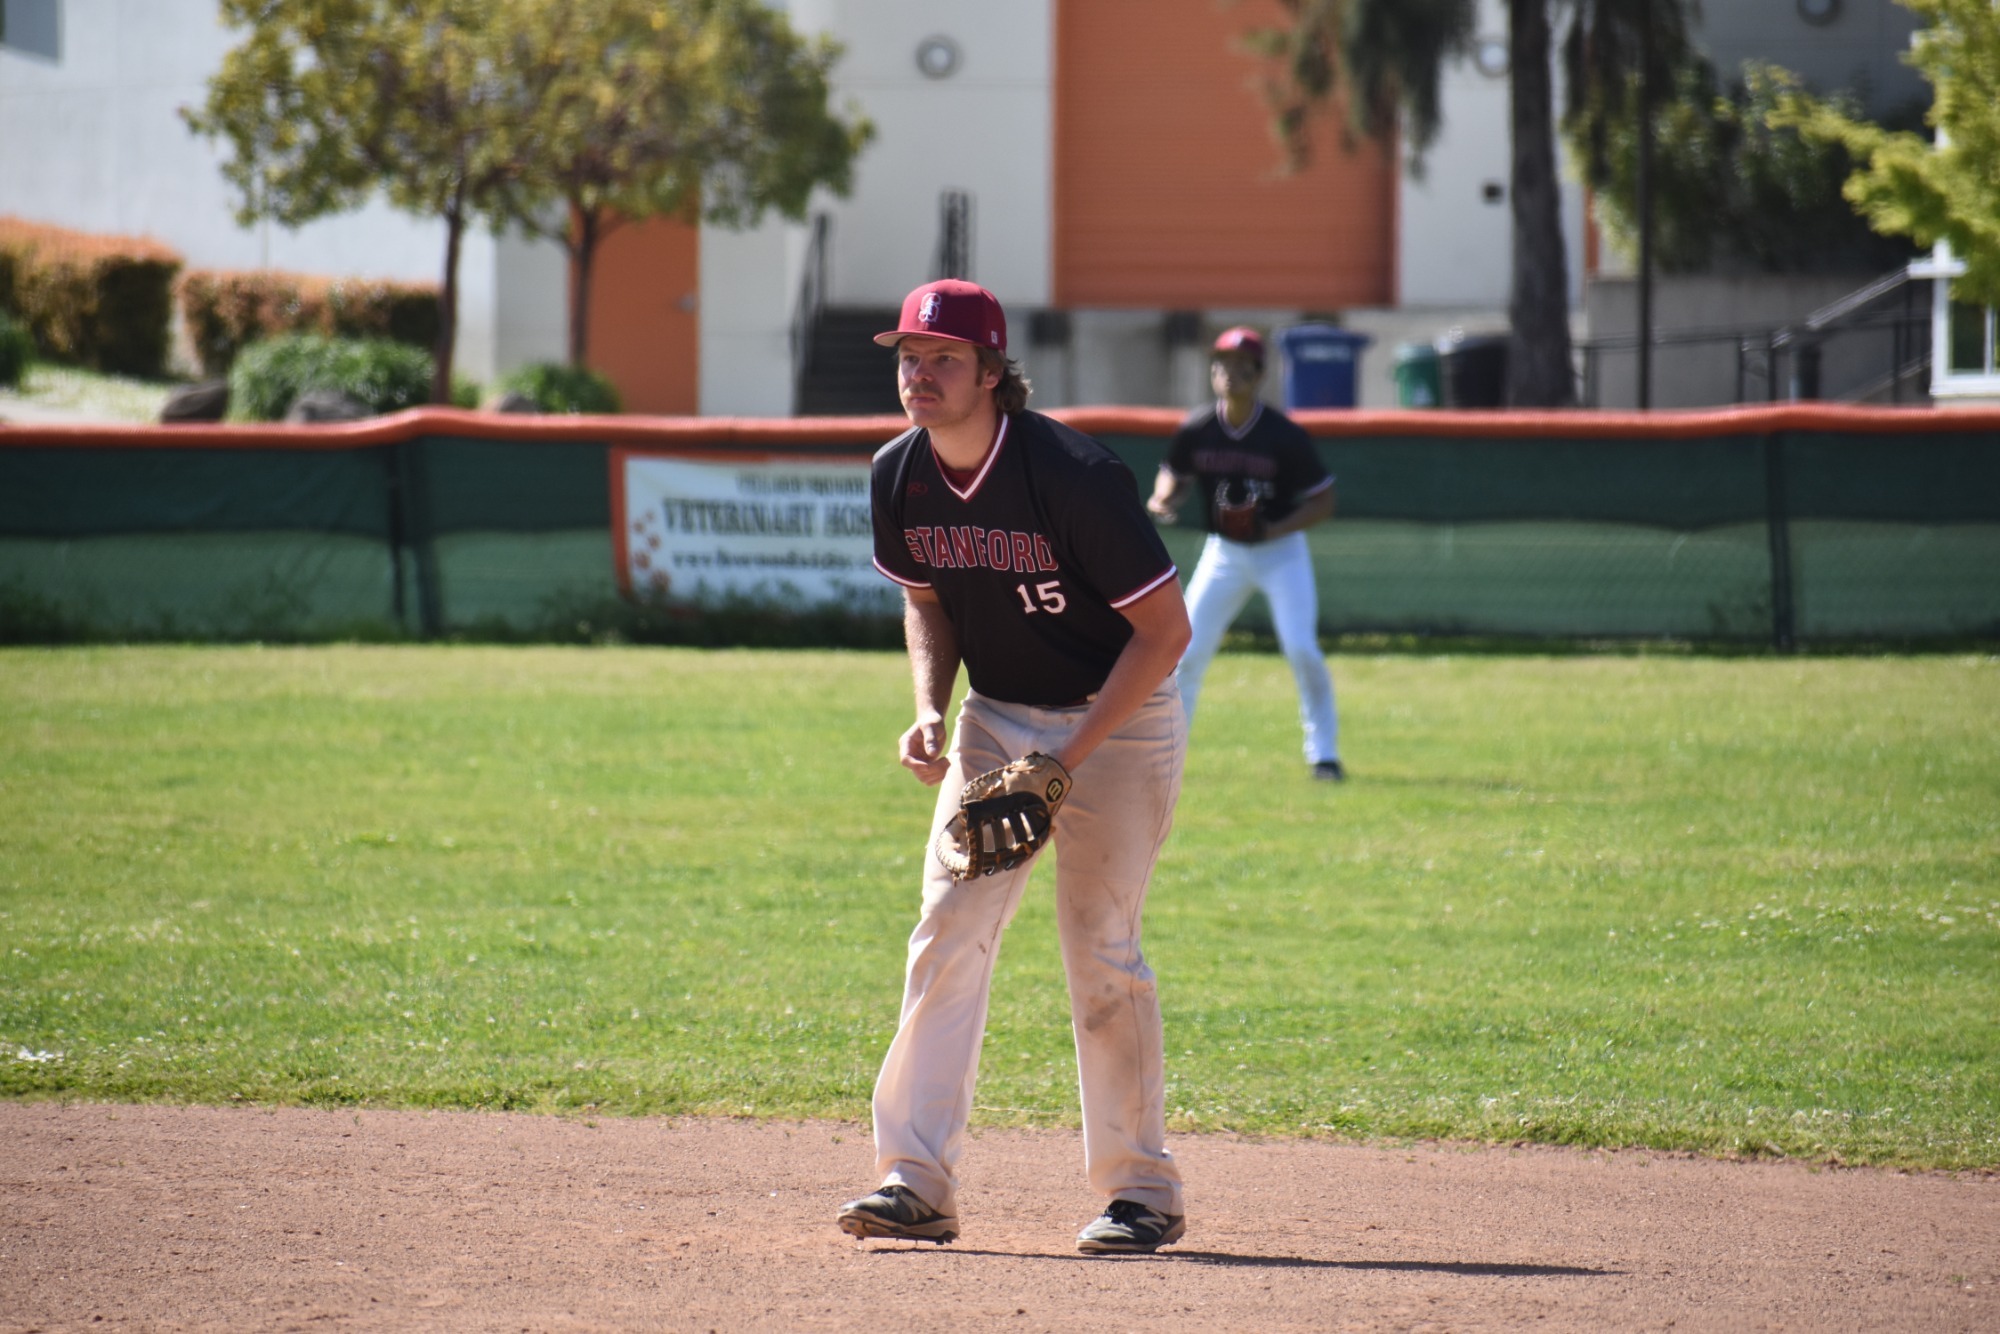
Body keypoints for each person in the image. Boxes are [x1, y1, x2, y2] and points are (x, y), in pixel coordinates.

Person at [836, 279, 1194, 1256]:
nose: (918, 373)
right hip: (995, 718)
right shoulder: (897, 474)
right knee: (947, 926)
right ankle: (913, 1177)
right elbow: (927, 600)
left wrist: (1061, 763)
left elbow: (1165, 632)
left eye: (943, 357)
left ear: (993, 372)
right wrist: (927, 707)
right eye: (906, 356)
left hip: (1114, 722)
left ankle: (1139, 1191)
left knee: (1099, 945)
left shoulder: (1071, 475)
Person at [1148, 326, 1344, 781]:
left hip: (1281, 552)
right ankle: (1167, 753)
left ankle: (1325, 754)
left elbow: (1324, 500)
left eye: (1240, 367)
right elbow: (1173, 471)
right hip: (1225, 553)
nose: (1228, 374)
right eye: (1221, 365)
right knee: (1186, 651)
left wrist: (1276, 527)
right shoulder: (1199, 427)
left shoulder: (1282, 435)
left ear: (1258, 375)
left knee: (1301, 649)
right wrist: (1164, 498)